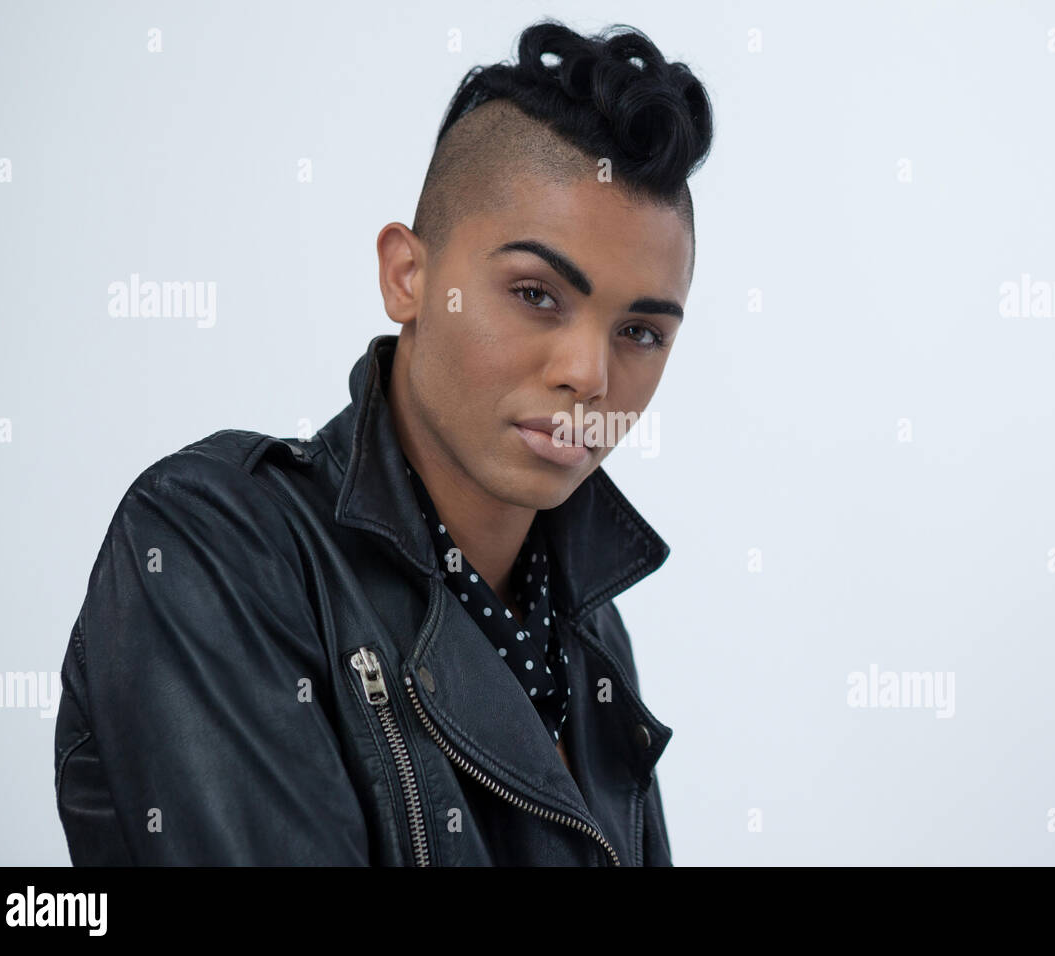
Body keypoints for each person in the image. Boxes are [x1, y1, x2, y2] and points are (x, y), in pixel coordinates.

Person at [53, 17, 714, 866]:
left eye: (642, 332)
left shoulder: (590, 630)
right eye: (537, 294)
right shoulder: (211, 539)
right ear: (408, 276)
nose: (590, 374)